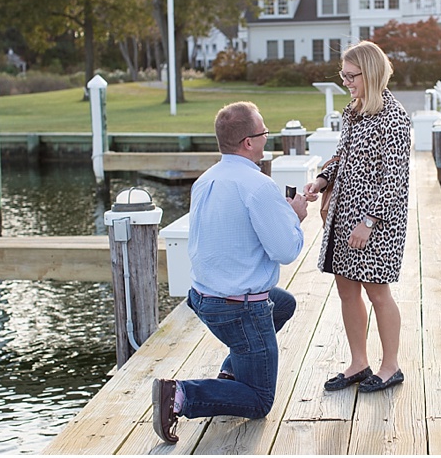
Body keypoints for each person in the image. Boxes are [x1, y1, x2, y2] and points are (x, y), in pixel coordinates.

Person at [152, 101, 308, 444]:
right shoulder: (259, 186)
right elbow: (286, 251)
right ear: (249, 142)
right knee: (258, 400)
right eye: (265, 132)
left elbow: (235, 232)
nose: (268, 137)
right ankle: (179, 396)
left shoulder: (206, 180)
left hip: (203, 298)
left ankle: (232, 369)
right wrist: (295, 217)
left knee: (283, 304)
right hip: (238, 309)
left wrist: (278, 216)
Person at [303, 40, 410, 393]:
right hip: (343, 218)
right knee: (347, 292)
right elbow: (342, 156)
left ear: (372, 72)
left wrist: (369, 221)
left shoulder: (394, 118)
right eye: (343, 75)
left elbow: (394, 180)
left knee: (378, 294)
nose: (346, 82)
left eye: (351, 76)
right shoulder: (354, 111)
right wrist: (323, 178)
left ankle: (390, 366)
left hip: (375, 223)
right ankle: (359, 363)